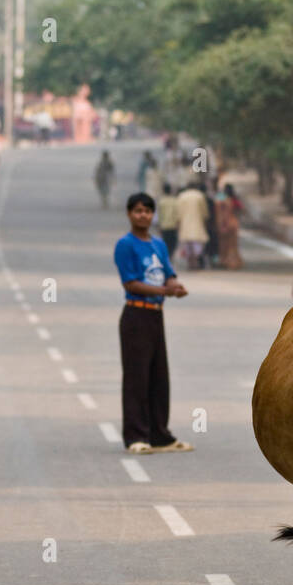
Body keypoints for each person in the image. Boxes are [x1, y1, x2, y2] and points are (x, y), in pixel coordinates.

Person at [115, 192, 193, 454]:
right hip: (136, 315)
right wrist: (164, 292)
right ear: (129, 214)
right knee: (136, 377)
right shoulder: (125, 245)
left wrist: (175, 286)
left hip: (155, 316)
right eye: (138, 211)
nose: (143, 215)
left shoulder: (158, 245)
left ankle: (160, 434)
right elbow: (131, 283)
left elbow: (169, 275)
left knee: (159, 376)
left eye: (148, 211)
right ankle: (136, 435)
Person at [175, 180, 210, 269]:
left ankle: (190, 263)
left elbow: (178, 212)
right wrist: (205, 222)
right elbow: (204, 212)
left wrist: (178, 224)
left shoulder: (181, 196)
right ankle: (195, 262)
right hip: (197, 224)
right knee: (197, 246)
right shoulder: (199, 196)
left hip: (185, 224)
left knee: (187, 245)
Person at [216, 182, 244, 269]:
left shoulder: (223, 201)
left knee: (225, 245)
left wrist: (221, 225)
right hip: (234, 223)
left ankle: (227, 263)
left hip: (226, 224)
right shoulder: (235, 200)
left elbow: (223, 215)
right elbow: (241, 210)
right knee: (233, 246)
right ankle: (235, 263)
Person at [157, 182, 179, 262]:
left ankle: (167, 256)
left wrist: (158, 225)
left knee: (165, 242)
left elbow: (159, 215)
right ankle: (171, 256)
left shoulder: (161, 201)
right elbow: (177, 213)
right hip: (173, 225)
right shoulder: (175, 200)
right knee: (173, 242)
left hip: (164, 225)